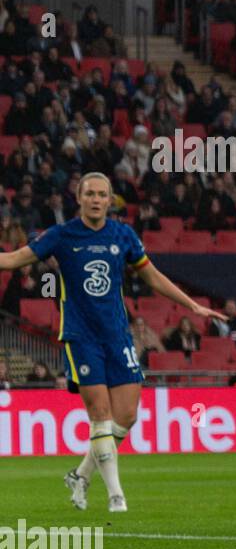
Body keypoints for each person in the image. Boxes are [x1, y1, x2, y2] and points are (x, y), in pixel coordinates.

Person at [0, 172, 220, 512]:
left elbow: (152, 275)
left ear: (110, 199)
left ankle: (80, 475)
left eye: (102, 194)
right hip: (80, 336)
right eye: (90, 194)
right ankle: (117, 495)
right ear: (79, 197)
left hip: (118, 336)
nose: (96, 200)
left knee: (127, 415)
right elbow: (12, 260)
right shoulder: (61, 235)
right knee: (100, 415)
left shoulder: (123, 235)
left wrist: (191, 305)